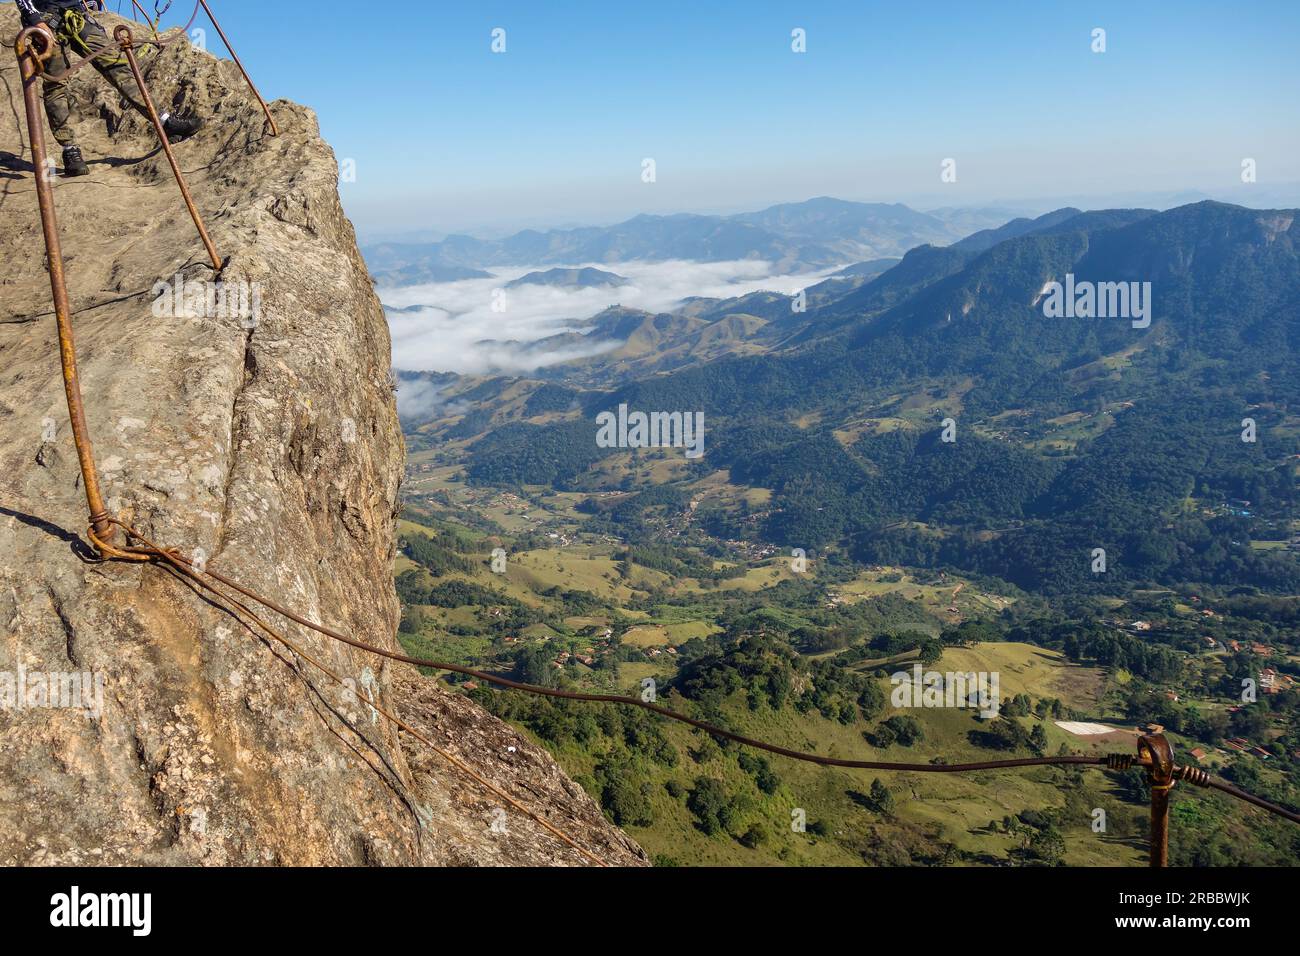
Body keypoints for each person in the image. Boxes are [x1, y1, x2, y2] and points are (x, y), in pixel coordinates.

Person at [17, 0, 203, 177]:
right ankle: (70, 150)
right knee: (55, 84)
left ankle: (164, 121)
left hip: (77, 14)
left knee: (118, 67)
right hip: (45, 19)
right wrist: (35, 19)